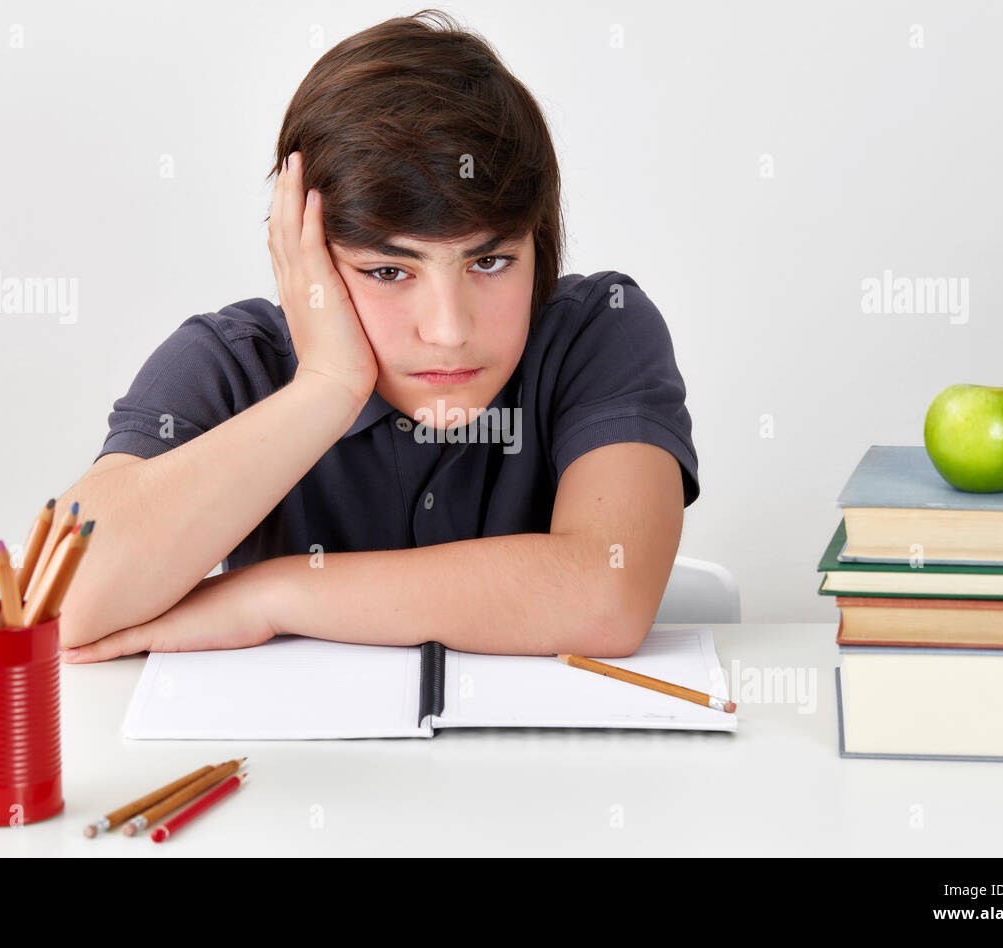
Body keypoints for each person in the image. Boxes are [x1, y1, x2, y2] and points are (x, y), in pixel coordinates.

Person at [56, 9, 699, 662]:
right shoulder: (231, 361)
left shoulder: (599, 330)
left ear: (539, 244)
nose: (449, 330)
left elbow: (605, 596)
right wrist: (327, 387)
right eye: (389, 270)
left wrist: (271, 596)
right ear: (301, 253)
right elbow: (65, 603)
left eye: (490, 262)